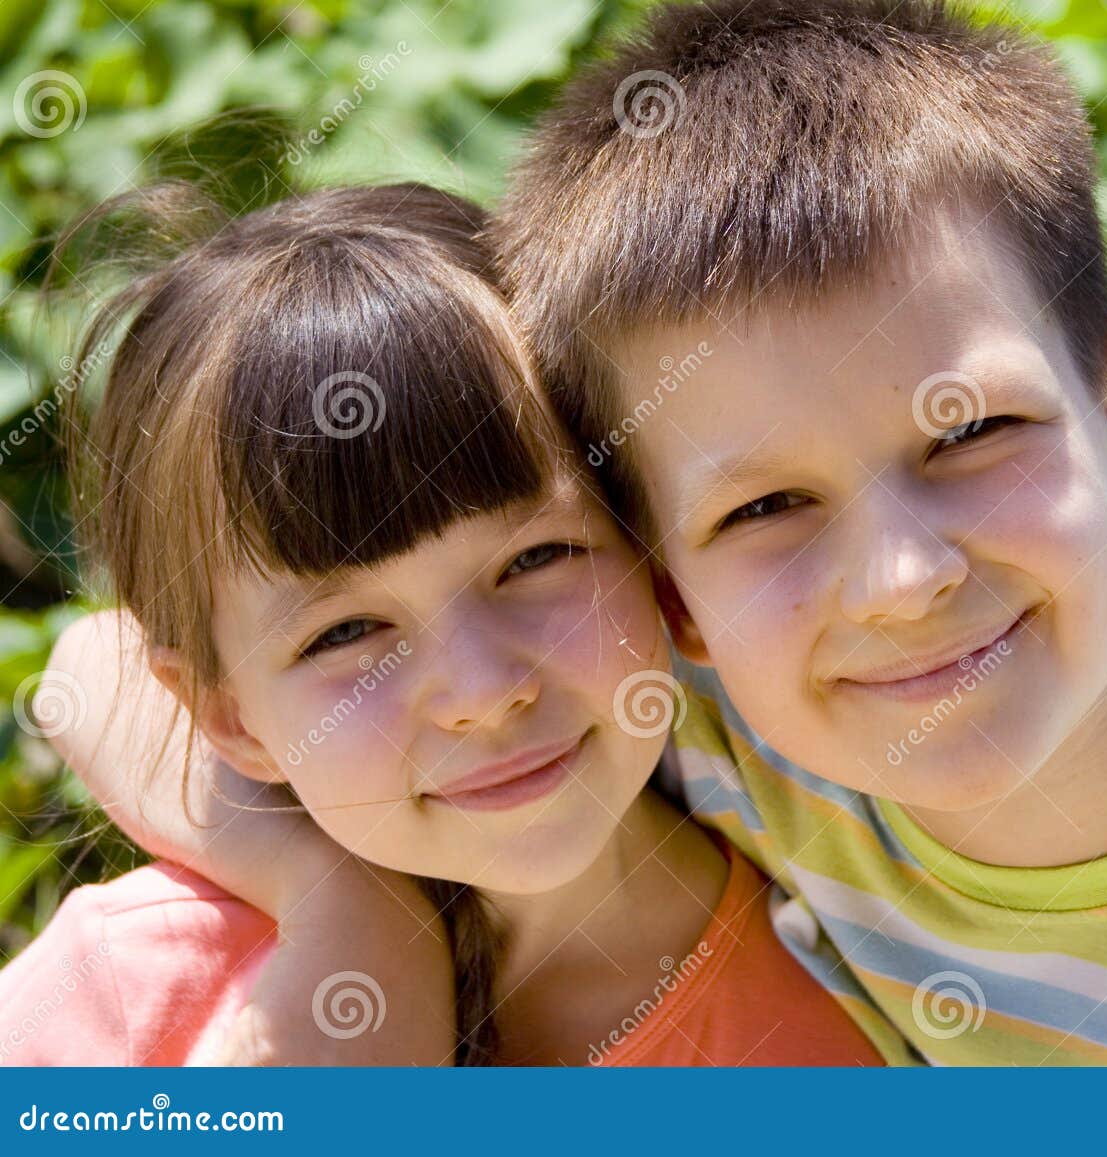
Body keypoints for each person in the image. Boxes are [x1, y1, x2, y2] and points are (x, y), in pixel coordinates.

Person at [44, 0, 1107, 1065]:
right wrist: (343, 920)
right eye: (768, 506)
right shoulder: (684, 715)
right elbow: (114, 668)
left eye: (971, 436)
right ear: (675, 583)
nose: (905, 582)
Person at [0, 182, 891, 1068]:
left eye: (534, 559)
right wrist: (353, 916)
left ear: (647, 545)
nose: (484, 690)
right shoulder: (125, 998)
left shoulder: (839, 983)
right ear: (227, 716)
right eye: (342, 634)